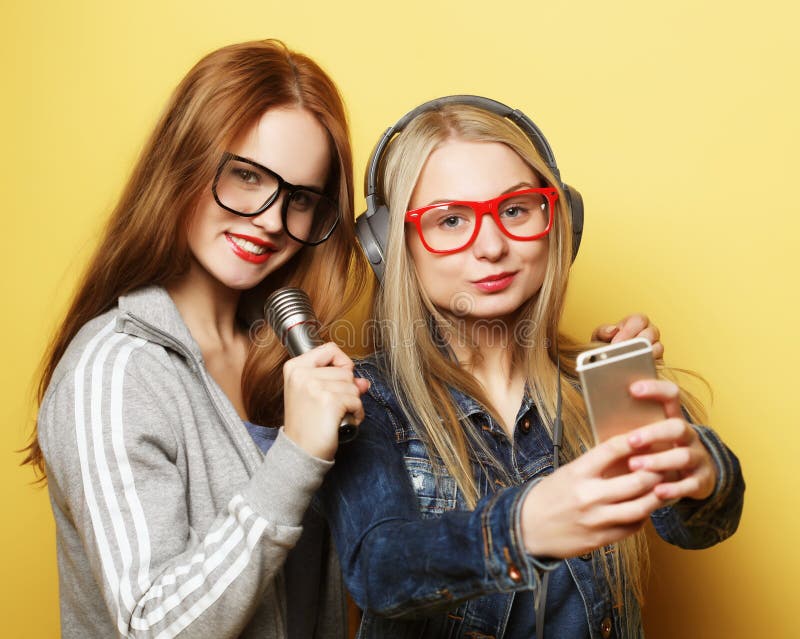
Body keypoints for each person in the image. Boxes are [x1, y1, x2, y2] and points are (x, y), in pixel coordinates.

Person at [320, 99, 745, 638]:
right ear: (390, 247)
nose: (492, 246)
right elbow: (380, 570)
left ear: (559, 220)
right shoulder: (364, 399)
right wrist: (524, 528)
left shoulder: (594, 385)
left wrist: (697, 470)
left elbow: (700, 527)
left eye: (516, 209)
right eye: (450, 220)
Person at [23, 40, 371, 638]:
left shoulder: (286, 357)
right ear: (182, 163)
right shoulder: (115, 371)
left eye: (299, 199)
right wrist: (296, 457)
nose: (270, 219)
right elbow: (152, 626)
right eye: (247, 176)